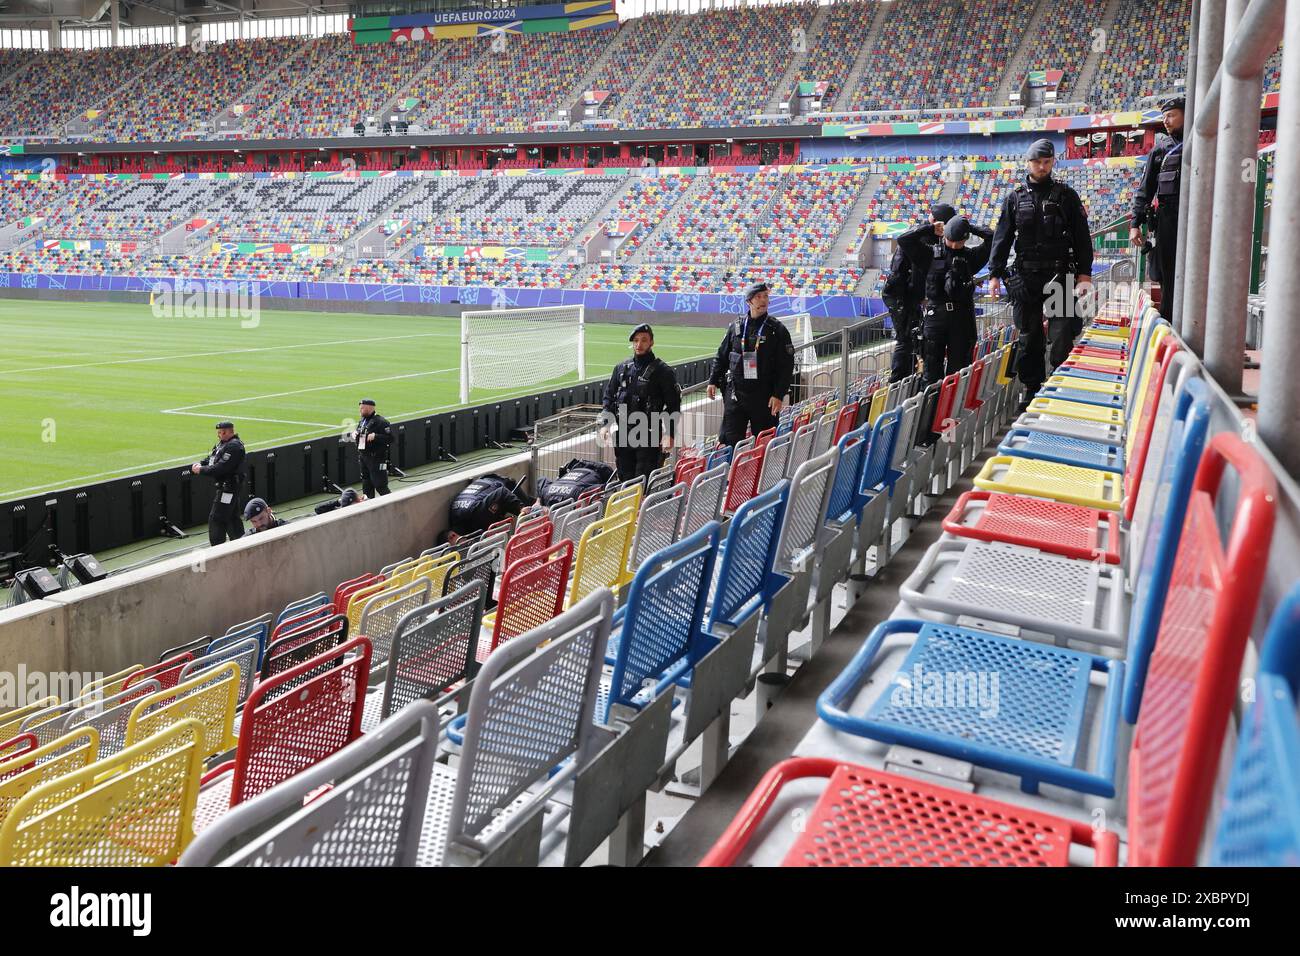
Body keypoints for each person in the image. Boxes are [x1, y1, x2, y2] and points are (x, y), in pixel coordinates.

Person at [987, 138, 1094, 409]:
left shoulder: (1067, 196)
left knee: (1061, 338)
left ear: (1053, 163)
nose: (1042, 167)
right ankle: (1031, 390)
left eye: (1047, 162)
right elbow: (1002, 237)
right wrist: (995, 274)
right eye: (1037, 162)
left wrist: (1085, 274)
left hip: (1060, 276)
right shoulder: (1014, 198)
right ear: (1028, 163)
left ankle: (1058, 387)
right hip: (1026, 279)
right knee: (1029, 339)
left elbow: (1082, 238)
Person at [899, 214, 994, 383]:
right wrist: (928, 228)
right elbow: (903, 240)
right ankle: (932, 407)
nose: (955, 245)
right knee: (931, 372)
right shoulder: (929, 254)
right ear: (944, 236)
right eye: (952, 240)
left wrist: (967, 226)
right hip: (936, 316)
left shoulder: (970, 257)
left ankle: (950, 407)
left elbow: (992, 237)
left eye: (960, 241)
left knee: (958, 373)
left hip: (961, 317)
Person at [707, 281, 796, 446]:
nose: (763, 300)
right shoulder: (736, 327)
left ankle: (761, 472)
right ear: (749, 301)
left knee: (764, 443)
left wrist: (778, 394)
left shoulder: (777, 330)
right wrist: (713, 380)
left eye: (766, 296)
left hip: (764, 397)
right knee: (729, 442)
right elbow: (722, 356)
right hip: (736, 395)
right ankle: (733, 471)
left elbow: (786, 366)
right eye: (758, 297)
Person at [884, 203, 957, 381]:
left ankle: (907, 377)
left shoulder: (930, 237)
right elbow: (917, 272)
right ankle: (897, 381)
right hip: (900, 295)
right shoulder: (922, 236)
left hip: (909, 295)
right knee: (905, 339)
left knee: (912, 336)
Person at [600, 323, 681, 482]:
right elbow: (609, 397)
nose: (639, 344)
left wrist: (669, 434)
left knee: (642, 482)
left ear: (651, 342)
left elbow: (673, 406)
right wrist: (605, 424)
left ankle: (642, 507)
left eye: (644, 340)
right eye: (636, 340)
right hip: (623, 434)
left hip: (649, 435)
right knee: (625, 480)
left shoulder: (663, 372)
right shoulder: (621, 368)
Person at [1130, 94, 1184, 319]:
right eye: (1164, 117)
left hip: (1200, 219)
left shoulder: (1206, 141)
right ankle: (1170, 321)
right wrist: (1135, 223)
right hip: (1168, 219)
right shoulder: (1161, 149)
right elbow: (1145, 189)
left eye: (1171, 115)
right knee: (1167, 273)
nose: (1166, 121)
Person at [191, 420, 246, 546]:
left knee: (217, 518)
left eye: (221, 432)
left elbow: (221, 467)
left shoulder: (234, 446)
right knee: (232, 518)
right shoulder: (222, 444)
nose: (219, 435)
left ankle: (217, 550)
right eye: (219, 432)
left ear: (229, 432)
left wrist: (201, 470)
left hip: (229, 488)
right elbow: (212, 460)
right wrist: (202, 464)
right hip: (226, 487)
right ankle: (240, 543)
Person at [447, 473, 526, 541]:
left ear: (452, 536)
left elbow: (502, 492)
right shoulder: (456, 519)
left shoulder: (477, 513)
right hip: (484, 488)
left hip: (501, 484)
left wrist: (521, 508)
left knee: (529, 510)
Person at [351, 398, 392, 497]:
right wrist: (355, 434)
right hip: (364, 456)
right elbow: (361, 433)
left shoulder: (381, 422)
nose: (360, 410)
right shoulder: (363, 420)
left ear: (369, 408)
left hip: (376, 457)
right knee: (366, 484)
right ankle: (368, 506)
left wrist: (376, 436)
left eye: (362, 408)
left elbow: (390, 438)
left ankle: (394, 504)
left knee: (380, 484)